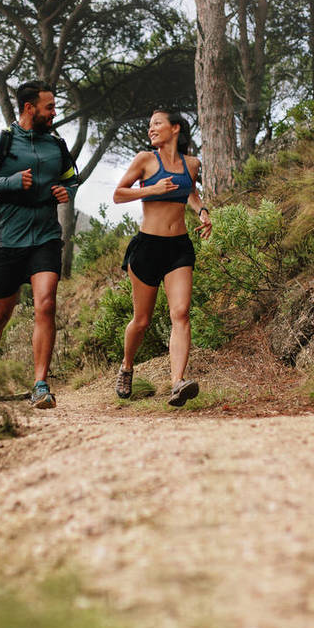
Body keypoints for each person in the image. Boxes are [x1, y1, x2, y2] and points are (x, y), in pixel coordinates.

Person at [0, 81, 79, 409]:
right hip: (7, 240)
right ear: (29, 108)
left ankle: (41, 384)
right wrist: (9, 183)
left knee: (46, 304)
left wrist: (67, 192)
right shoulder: (2, 143)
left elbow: (71, 178)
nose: (55, 112)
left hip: (45, 237)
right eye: (49, 107)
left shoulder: (57, 146)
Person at [112, 109, 212, 406]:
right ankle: (127, 366)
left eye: (157, 123)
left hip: (178, 247)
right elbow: (118, 194)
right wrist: (152, 189)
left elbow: (190, 192)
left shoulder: (191, 164)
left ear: (175, 129)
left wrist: (203, 211)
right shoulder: (145, 160)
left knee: (180, 313)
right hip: (147, 248)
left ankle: (177, 383)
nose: (151, 129)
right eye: (149, 125)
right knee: (141, 321)